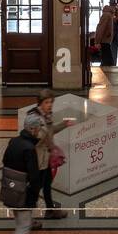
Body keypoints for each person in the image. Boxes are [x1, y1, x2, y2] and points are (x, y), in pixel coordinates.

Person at [25, 90, 69, 220]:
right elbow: (36, 138)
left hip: (46, 158)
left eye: (51, 102)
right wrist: (45, 127)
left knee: (47, 184)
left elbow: (50, 132)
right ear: (40, 103)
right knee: (35, 188)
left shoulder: (46, 115)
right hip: (38, 160)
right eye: (46, 102)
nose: (50, 105)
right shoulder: (34, 118)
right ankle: (27, 217)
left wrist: (64, 124)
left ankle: (50, 210)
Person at [3, 118, 44, 234]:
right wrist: (35, 193)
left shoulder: (13, 141)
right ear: (32, 129)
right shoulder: (29, 148)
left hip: (11, 189)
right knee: (23, 227)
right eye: (38, 128)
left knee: (19, 223)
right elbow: (34, 175)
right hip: (24, 194)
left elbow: (5, 161)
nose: (39, 131)